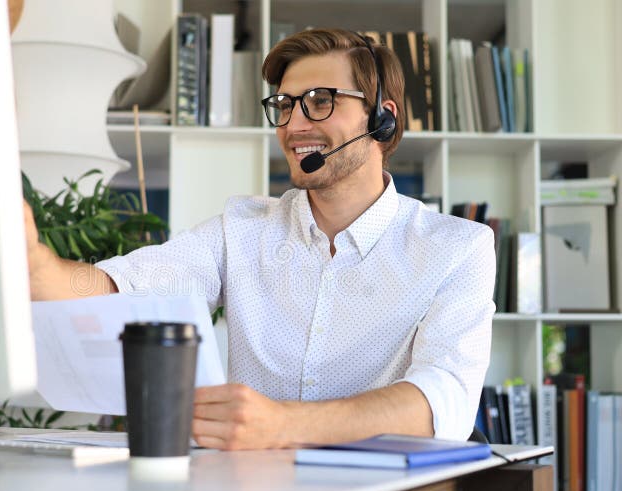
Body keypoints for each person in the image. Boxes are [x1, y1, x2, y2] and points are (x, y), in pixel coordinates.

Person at [24, 28, 496, 450]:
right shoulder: (243, 228)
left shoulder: (457, 249)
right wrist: (36, 266)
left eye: (319, 101)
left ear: (382, 118)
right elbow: (125, 288)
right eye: (285, 105)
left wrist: (284, 425)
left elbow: (443, 401)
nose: (293, 125)